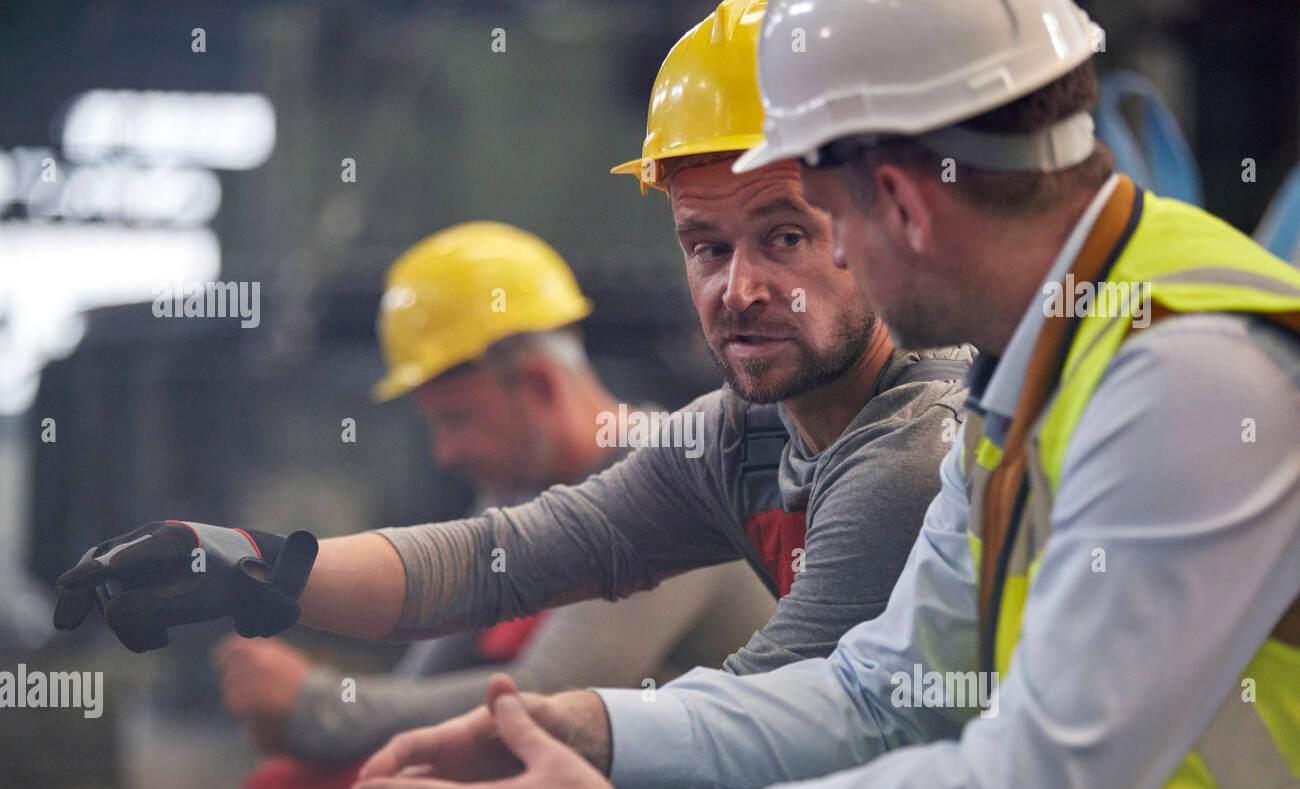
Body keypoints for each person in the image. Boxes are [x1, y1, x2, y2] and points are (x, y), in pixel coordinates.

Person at [335, 0, 1300, 789]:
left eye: (813, 224)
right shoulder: (1032, 370)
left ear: (905, 204)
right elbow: (883, 697)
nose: (815, 262)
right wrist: (590, 727)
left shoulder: (1183, 372)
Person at [53, 1, 972, 687]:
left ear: (876, 218)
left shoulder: (916, 446)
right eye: (706, 246)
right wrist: (249, 562)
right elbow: (497, 559)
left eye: (786, 236)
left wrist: (361, 724)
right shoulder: (733, 439)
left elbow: (782, 705)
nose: (740, 288)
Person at [214, 221, 776, 789]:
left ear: (539, 386)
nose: (445, 452)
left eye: (458, 420)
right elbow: (426, 677)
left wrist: (316, 707)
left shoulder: (678, 475)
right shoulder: (514, 495)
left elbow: (547, 696)